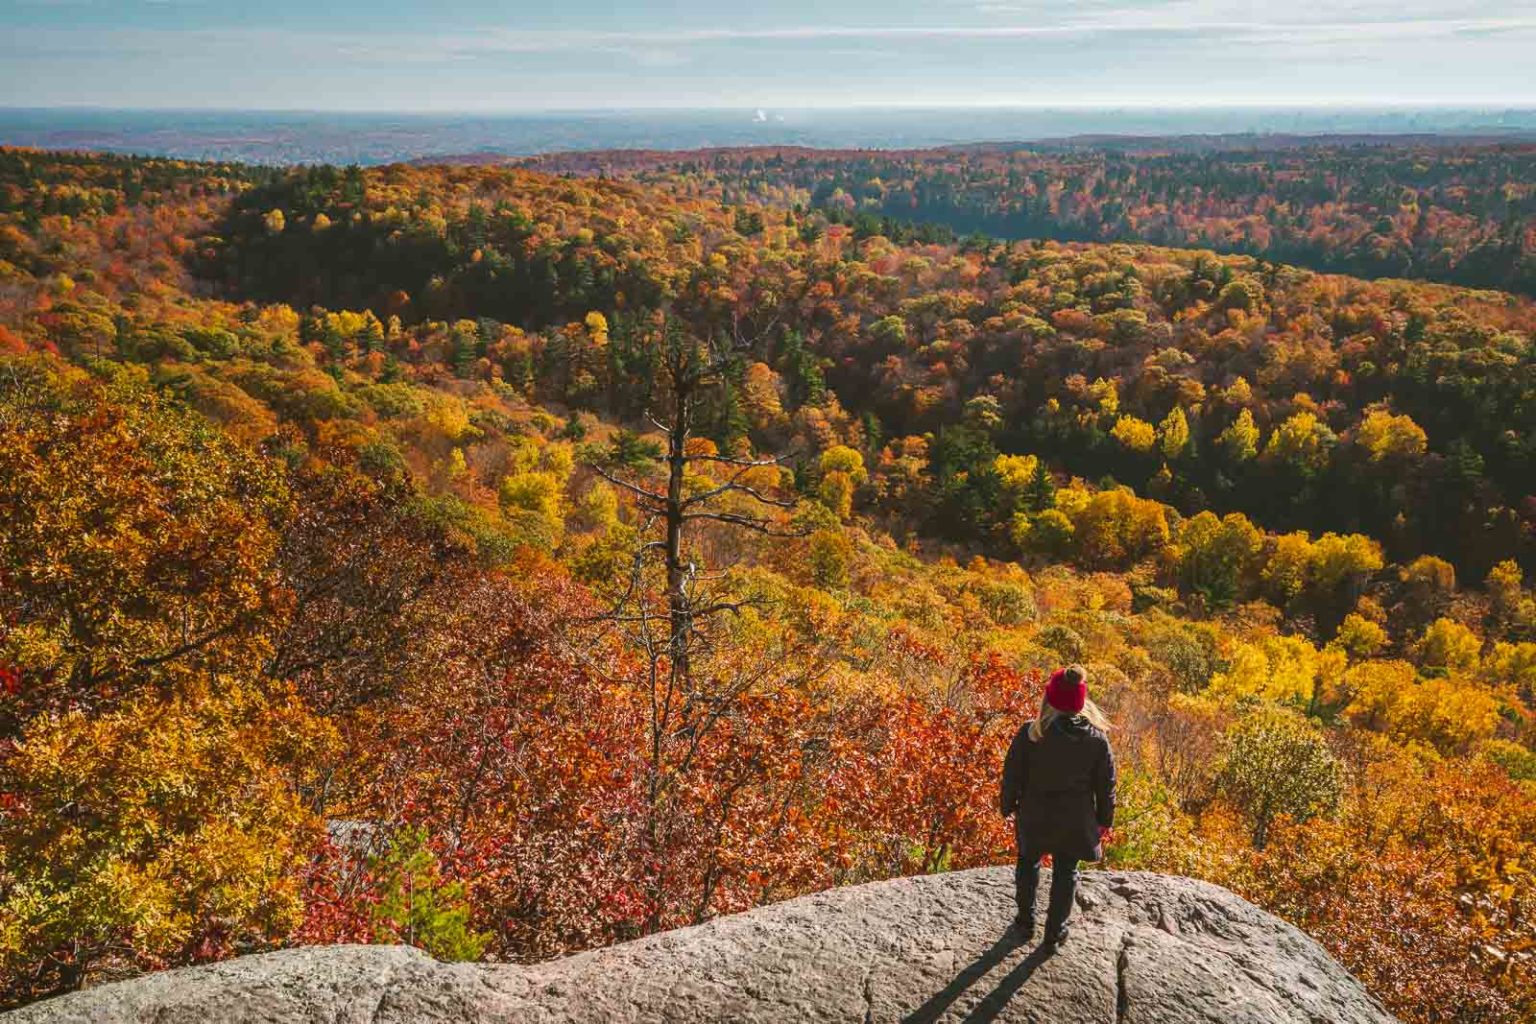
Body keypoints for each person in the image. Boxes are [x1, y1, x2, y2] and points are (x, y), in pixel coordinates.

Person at [999, 664, 1116, 948]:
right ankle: (1055, 933)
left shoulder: (1031, 733)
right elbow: (1106, 785)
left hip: (1034, 816)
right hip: (1075, 820)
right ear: (1081, 701)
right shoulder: (1096, 739)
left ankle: (1024, 924)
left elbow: (1012, 775)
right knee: (1066, 872)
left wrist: (1007, 805)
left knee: (1028, 864)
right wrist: (1104, 820)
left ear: (1049, 698)